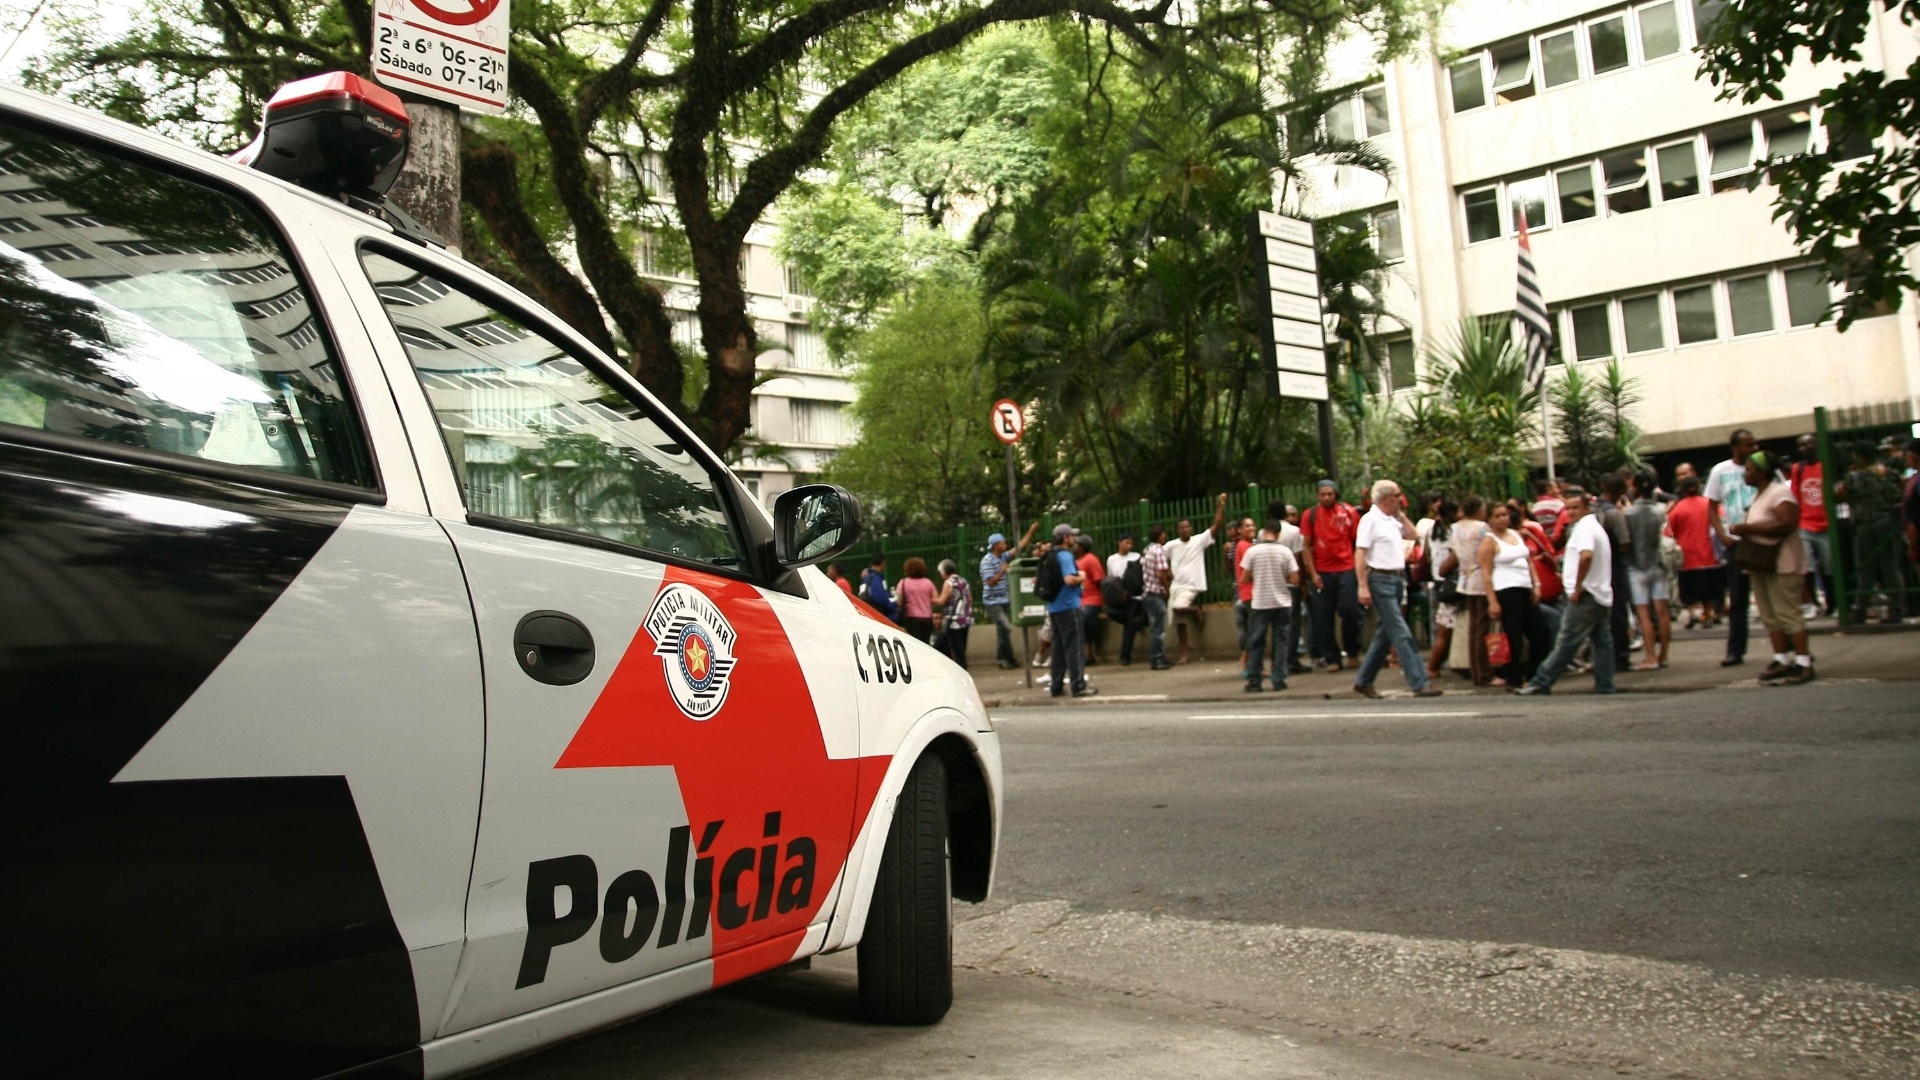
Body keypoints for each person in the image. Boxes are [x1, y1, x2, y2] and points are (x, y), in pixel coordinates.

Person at [1517, 486, 1617, 695]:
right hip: (1599, 592)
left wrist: (1578, 585)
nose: (1571, 512)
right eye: (1568, 508)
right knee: (1602, 641)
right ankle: (1605, 684)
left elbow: (1586, 555)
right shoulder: (1592, 527)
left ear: (1587, 507)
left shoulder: (1584, 529)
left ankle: (1541, 681)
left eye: (1576, 507)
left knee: (1567, 640)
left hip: (1586, 594)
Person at [1352, 479, 1442, 699]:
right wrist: (1362, 585)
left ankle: (1364, 680)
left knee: (1386, 634)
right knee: (1401, 632)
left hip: (1397, 579)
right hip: (1380, 578)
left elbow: (1412, 535)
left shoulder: (1391, 520)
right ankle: (1419, 682)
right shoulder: (1370, 520)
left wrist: (1400, 514)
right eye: (1396, 495)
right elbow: (1360, 553)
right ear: (1385, 498)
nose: (1400, 499)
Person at [1731, 450, 1813, 683]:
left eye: (1748, 469)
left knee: (1788, 612)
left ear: (1761, 472)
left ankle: (1803, 661)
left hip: (1783, 563)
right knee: (1770, 614)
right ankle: (1782, 658)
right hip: (1762, 565)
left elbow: (1788, 523)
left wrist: (1749, 529)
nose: (1745, 474)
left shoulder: (1779, 493)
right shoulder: (1761, 494)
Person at [1706, 428, 1760, 666]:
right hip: (1735, 542)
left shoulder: (1762, 467)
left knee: (1770, 594)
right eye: (1749, 445)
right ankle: (1735, 650)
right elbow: (1712, 506)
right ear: (1736, 448)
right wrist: (1722, 534)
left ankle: (1787, 646)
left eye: (1755, 444)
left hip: (1761, 539)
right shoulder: (1721, 471)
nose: (1753, 449)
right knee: (1737, 597)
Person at [1837, 441, 1906, 624]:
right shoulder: (1887, 472)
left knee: (1865, 568)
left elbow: (1839, 494)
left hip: (1864, 524)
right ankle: (1896, 609)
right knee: (1890, 566)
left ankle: (1860, 610)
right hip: (1887, 522)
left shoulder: (1853, 477)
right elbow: (1901, 488)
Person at [1301, 480, 1364, 671]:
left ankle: (1352, 652)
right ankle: (1332, 658)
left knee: (1351, 611)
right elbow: (1305, 546)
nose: (1326, 497)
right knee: (1323, 617)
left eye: (1329, 494)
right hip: (1322, 570)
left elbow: (1358, 542)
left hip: (1346, 568)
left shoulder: (1349, 512)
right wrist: (1312, 573)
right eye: (1322, 494)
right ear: (1318, 496)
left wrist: (1358, 570)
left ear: (1336, 494)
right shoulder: (1309, 515)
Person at [1478, 501, 1539, 687]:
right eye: (1497, 516)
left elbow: (1529, 561)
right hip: (1505, 589)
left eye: (1504, 515)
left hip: (1524, 586)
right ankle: (1514, 677)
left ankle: (1532, 672)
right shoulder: (1489, 541)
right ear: (1489, 519)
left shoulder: (1515, 534)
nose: (1502, 519)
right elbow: (1486, 573)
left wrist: (1536, 584)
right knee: (1513, 635)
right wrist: (1493, 601)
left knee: (1539, 631)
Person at [1165, 493, 1228, 664]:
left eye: (1187, 527)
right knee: (1178, 622)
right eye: (1181, 528)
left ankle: (1196, 609)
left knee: (1179, 608)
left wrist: (1220, 505)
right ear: (1177, 530)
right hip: (1175, 586)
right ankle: (1184, 653)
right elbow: (1159, 557)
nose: (1184, 530)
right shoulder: (1171, 545)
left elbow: (1216, 526)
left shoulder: (1198, 541)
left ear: (1190, 528)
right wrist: (1167, 573)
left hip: (1191, 585)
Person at [1239, 520, 1301, 692]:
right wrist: (1282, 578)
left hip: (1260, 602)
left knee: (1256, 642)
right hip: (1282, 602)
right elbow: (1295, 578)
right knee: (1280, 642)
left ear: (1263, 531)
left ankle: (1254, 680)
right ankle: (1279, 679)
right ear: (1278, 534)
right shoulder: (1285, 552)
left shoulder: (1252, 552)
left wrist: (1257, 576)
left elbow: (1243, 578)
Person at [1624, 468, 1671, 670]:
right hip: (1659, 563)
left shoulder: (1628, 514)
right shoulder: (1661, 510)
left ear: (1634, 487)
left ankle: (1650, 656)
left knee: (1643, 613)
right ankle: (1664, 655)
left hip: (1636, 566)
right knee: (1662, 611)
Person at [1666, 475, 1724, 629]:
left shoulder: (1678, 509)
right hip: (1709, 554)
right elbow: (1722, 520)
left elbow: (1668, 532)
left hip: (1687, 557)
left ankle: (1692, 613)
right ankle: (1708, 613)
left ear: (1683, 490)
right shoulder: (1709, 505)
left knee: (1688, 590)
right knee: (1710, 588)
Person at [1044, 524, 1094, 697]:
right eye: (1071, 536)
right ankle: (1078, 685)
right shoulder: (1065, 555)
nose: (1074, 539)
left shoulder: (1050, 554)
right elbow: (1069, 580)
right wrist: (1082, 576)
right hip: (1069, 606)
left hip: (1054, 606)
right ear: (1065, 538)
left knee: (1057, 648)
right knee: (1075, 647)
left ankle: (1056, 685)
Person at [979, 523, 1037, 669]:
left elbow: (1019, 547)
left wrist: (1031, 531)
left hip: (1004, 599)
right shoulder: (987, 561)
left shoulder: (1003, 556)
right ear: (995, 545)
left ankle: (1007, 659)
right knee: (1005, 627)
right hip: (993, 601)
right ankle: (1002, 658)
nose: (1005, 544)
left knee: (1002, 630)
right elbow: (990, 581)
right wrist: (1002, 571)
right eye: (1003, 542)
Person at [1447, 494, 1491, 685]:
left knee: (1475, 627)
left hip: (1465, 577)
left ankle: (1476, 670)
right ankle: (1484, 672)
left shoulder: (1455, 528)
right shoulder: (1481, 528)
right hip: (1480, 576)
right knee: (1482, 626)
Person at [1790, 434, 1834, 618]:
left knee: (1828, 567)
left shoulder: (1826, 466)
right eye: (1800, 445)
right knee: (1806, 567)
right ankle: (1812, 603)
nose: (1804, 448)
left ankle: (1833, 603)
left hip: (1826, 525)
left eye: (1808, 444)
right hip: (1805, 524)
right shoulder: (1798, 469)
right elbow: (1795, 496)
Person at [1595, 472, 1634, 674]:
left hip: (1596, 570)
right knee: (1618, 613)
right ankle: (1621, 657)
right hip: (1614, 569)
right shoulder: (1614, 514)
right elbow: (1624, 542)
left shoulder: (1594, 510)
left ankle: (1604, 657)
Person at [1269, 500, 1310, 675]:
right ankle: (1290, 659)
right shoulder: (1294, 531)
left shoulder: (1264, 531)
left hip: (1271, 582)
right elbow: (1297, 558)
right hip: (1290, 582)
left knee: (1274, 622)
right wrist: (1302, 582)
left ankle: (1277, 660)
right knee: (1292, 622)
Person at [1425, 498, 1459, 679]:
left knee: (1441, 625)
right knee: (1445, 626)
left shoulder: (1433, 530)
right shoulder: (1454, 532)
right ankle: (1433, 665)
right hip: (1451, 581)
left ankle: (1437, 663)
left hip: (1438, 580)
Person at [1104, 535, 1145, 665]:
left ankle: (1125, 655)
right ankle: (1136, 623)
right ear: (1119, 543)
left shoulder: (1136, 556)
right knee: (1113, 613)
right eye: (1127, 542)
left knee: (1130, 622)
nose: (1129, 546)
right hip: (1119, 595)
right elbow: (1111, 578)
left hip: (1133, 595)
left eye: (1131, 543)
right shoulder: (1112, 559)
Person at [1141, 525, 1173, 670]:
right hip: (1156, 592)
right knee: (1158, 629)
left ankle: (1159, 656)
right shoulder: (1159, 551)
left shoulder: (1148, 550)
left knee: (1156, 626)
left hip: (1148, 591)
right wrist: (1167, 589)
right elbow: (1161, 574)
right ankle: (1157, 658)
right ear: (1160, 536)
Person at [933, 558, 973, 669]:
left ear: (944, 572)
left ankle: (960, 667)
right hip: (965, 618)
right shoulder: (963, 581)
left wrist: (930, 599)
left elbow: (942, 600)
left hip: (953, 620)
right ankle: (963, 665)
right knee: (962, 646)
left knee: (955, 647)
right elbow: (970, 598)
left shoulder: (948, 582)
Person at [1230, 516, 1257, 676]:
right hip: (1250, 592)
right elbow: (1249, 571)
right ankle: (1248, 664)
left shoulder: (1244, 545)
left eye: (1252, 524)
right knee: (1255, 631)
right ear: (1239, 530)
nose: (1251, 528)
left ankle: (1248, 663)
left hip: (1246, 592)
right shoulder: (1245, 546)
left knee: (1252, 629)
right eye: (1247, 525)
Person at [1076, 536, 1106, 664]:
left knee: (1086, 618)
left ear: (1082, 546)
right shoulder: (1077, 561)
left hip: (1092, 599)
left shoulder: (1091, 560)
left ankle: (1094, 648)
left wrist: (1102, 599)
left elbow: (1099, 580)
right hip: (1080, 599)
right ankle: (1086, 654)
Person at [896, 556, 937, 643]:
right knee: (925, 643)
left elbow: (899, 601)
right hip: (927, 618)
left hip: (911, 618)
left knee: (913, 643)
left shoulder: (903, 583)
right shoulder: (928, 582)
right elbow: (935, 599)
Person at [860, 555, 897, 622]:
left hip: (867, 612)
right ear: (883, 563)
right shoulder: (876, 579)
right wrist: (894, 605)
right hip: (878, 615)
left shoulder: (866, 577)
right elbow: (881, 599)